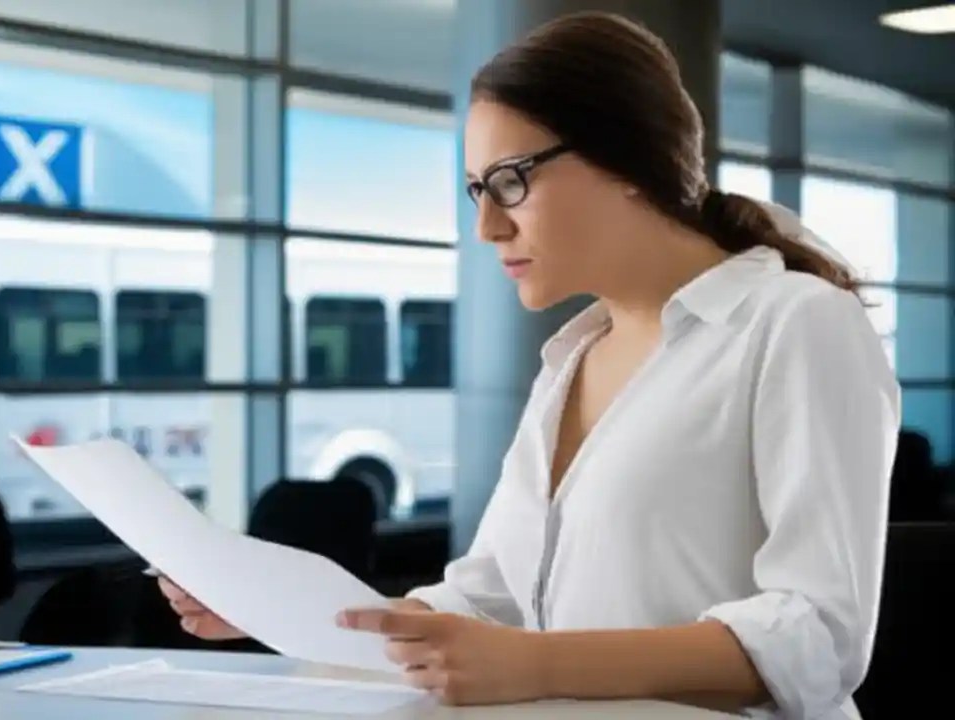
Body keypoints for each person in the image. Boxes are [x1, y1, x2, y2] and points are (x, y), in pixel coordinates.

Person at [158, 11, 899, 719]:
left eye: (511, 180)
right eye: (478, 190)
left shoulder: (796, 324)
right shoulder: (572, 360)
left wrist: (535, 665)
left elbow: (818, 638)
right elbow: (486, 600)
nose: (487, 225)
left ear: (628, 157)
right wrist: (277, 610)